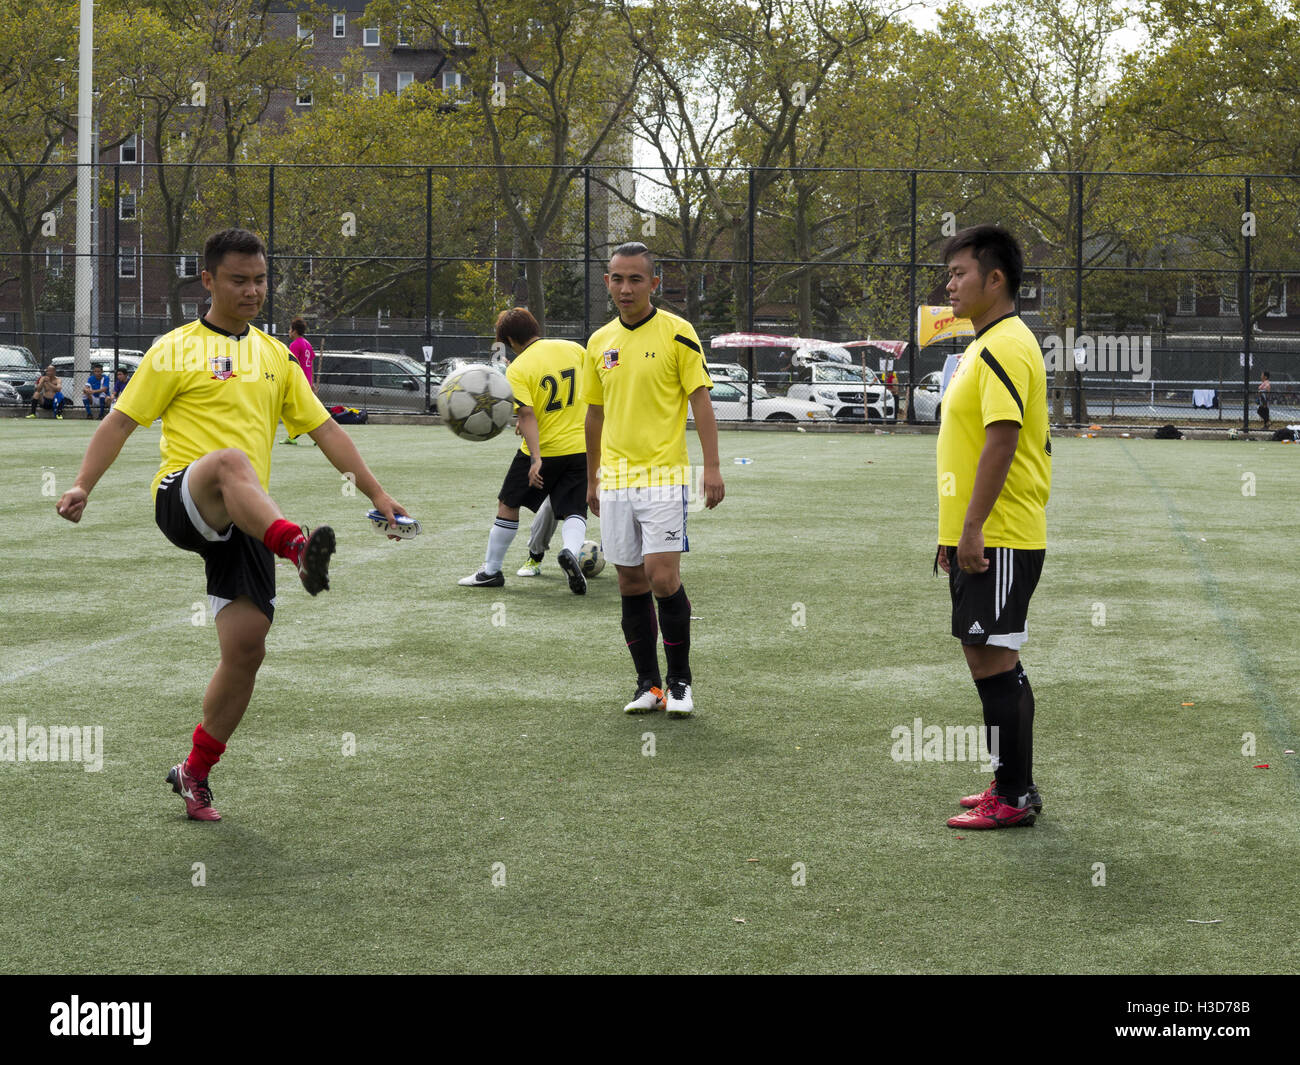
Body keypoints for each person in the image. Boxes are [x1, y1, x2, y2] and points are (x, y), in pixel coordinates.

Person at [56, 227, 408, 823]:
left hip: (247, 520)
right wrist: (81, 484)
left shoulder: (275, 356)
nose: (252, 290)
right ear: (209, 280)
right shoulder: (174, 349)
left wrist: (377, 492)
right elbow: (119, 423)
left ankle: (193, 772)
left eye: (260, 280)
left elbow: (323, 429)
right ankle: (297, 546)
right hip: (184, 499)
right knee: (229, 462)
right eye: (239, 280)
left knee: (246, 650)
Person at [936, 224, 1051, 830]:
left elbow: (1001, 442)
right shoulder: (988, 343)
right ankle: (1014, 785)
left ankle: (1012, 797)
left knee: (990, 658)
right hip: (988, 532)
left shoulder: (1004, 344)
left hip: (1001, 532)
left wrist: (974, 527)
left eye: (959, 273)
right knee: (995, 655)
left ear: (995, 279)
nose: (949, 284)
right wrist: (952, 531)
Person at [582, 242, 724, 718]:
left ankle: (681, 682)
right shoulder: (598, 343)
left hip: (664, 475)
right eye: (617, 279)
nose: (626, 288)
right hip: (616, 478)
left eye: (635, 279)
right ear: (607, 282)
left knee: (662, 577)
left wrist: (713, 467)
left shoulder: (679, 334)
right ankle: (650, 685)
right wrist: (593, 478)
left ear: (653, 283)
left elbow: (701, 401)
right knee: (628, 580)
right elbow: (595, 414)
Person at [459, 308, 591, 592]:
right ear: (535, 327)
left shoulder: (518, 367)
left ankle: (491, 571)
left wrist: (536, 458)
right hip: (582, 447)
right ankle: (570, 550)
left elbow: (528, 414)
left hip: (546, 448)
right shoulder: (573, 348)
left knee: (508, 504)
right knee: (574, 509)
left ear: (509, 339)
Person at [282, 317, 317, 444]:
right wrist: (311, 383)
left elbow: (292, 364)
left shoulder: (295, 345)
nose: (289, 332)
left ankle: (295, 435)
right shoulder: (307, 343)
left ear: (295, 331)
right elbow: (311, 364)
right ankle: (294, 435)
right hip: (307, 381)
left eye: (290, 329)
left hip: (299, 381)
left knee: (297, 410)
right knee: (303, 409)